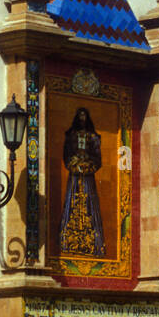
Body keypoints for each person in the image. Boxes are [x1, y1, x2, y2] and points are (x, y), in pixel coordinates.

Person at [59, 107, 105, 256]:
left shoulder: (93, 137)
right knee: (72, 201)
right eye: (80, 115)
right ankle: (68, 241)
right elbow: (66, 155)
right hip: (74, 174)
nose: (82, 118)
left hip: (87, 175)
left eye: (85, 115)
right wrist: (74, 164)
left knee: (89, 203)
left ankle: (94, 242)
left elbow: (98, 158)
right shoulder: (71, 136)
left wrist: (88, 165)